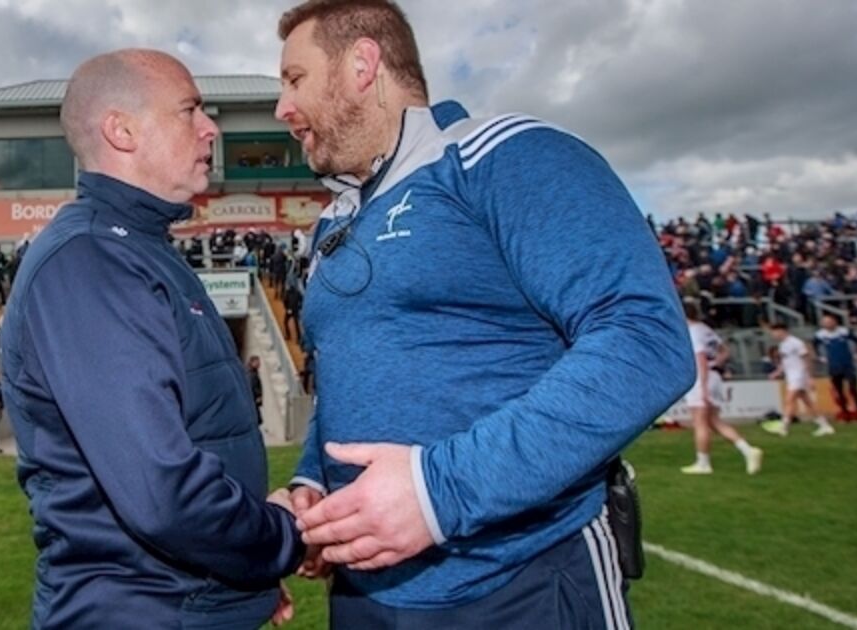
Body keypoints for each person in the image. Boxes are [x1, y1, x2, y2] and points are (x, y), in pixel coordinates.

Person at [274, 2, 693, 626]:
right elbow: (347, 373)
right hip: (365, 595)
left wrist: (438, 491)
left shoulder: (504, 156)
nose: (283, 108)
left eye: (294, 80)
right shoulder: (333, 221)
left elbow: (646, 340)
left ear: (362, 63)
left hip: (523, 579)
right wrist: (317, 480)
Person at [0, 49, 304, 629]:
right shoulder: (91, 260)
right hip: (146, 610)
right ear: (121, 130)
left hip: (190, 600)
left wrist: (248, 580)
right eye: (190, 110)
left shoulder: (139, 248)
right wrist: (280, 539)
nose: (210, 127)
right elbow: (162, 490)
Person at [679, 302, 763, 475]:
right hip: (714, 375)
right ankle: (747, 450)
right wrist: (716, 363)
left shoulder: (693, 332)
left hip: (702, 377)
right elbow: (725, 351)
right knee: (713, 421)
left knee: (700, 421)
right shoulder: (705, 329)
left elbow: (700, 358)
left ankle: (703, 463)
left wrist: (702, 387)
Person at [764, 323, 835, 437]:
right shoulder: (783, 345)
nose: (773, 334)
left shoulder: (796, 343)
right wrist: (777, 372)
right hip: (792, 375)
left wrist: (810, 376)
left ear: (782, 331)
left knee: (789, 399)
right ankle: (825, 425)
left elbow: (807, 358)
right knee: (808, 402)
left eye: (775, 331)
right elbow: (786, 362)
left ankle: (784, 426)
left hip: (799, 375)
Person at [813, 314, 857, 421]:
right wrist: (820, 356)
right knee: (839, 390)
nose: (827, 324)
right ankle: (845, 413)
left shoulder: (844, 331)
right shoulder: (820, 335)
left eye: (829, 321)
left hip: (847, 364)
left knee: (853, 388)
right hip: (834, 365)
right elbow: (815, 346)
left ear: (835, 322)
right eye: (825, 322)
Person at [248, 356, 264, 426]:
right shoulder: (252, 374)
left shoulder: (253, 373)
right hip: (253, 400)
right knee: (257, 420)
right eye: (257, 362)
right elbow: (253, 386)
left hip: (253, 401)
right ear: (252, 362)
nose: (259, 363)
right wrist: (258, 396)